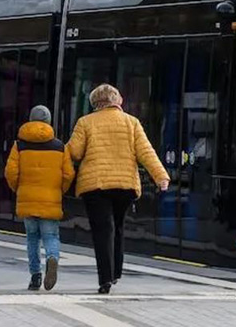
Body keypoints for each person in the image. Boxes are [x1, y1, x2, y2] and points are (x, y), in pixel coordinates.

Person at [66, 84, 169, 294]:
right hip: (124, 185)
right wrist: (161, 177)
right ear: (117, 101)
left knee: (102, 230)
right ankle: (116, 273)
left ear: (95, 103)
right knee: (118, 227)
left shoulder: (85, 122)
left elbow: (74, 153)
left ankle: (105, 278)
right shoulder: (132, 122)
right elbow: (145, 152)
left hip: (95, 186)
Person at [4, 105, 74, 291]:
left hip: (27, 199)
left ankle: (35, 276)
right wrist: (59, 190)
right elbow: (68, 174)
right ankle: (52, 258)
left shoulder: (19, 146)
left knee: (32, 238)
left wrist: (18, 189)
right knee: (51, 236)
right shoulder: (59, 147)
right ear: (48, 122)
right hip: (51, 200)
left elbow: (10, 172)